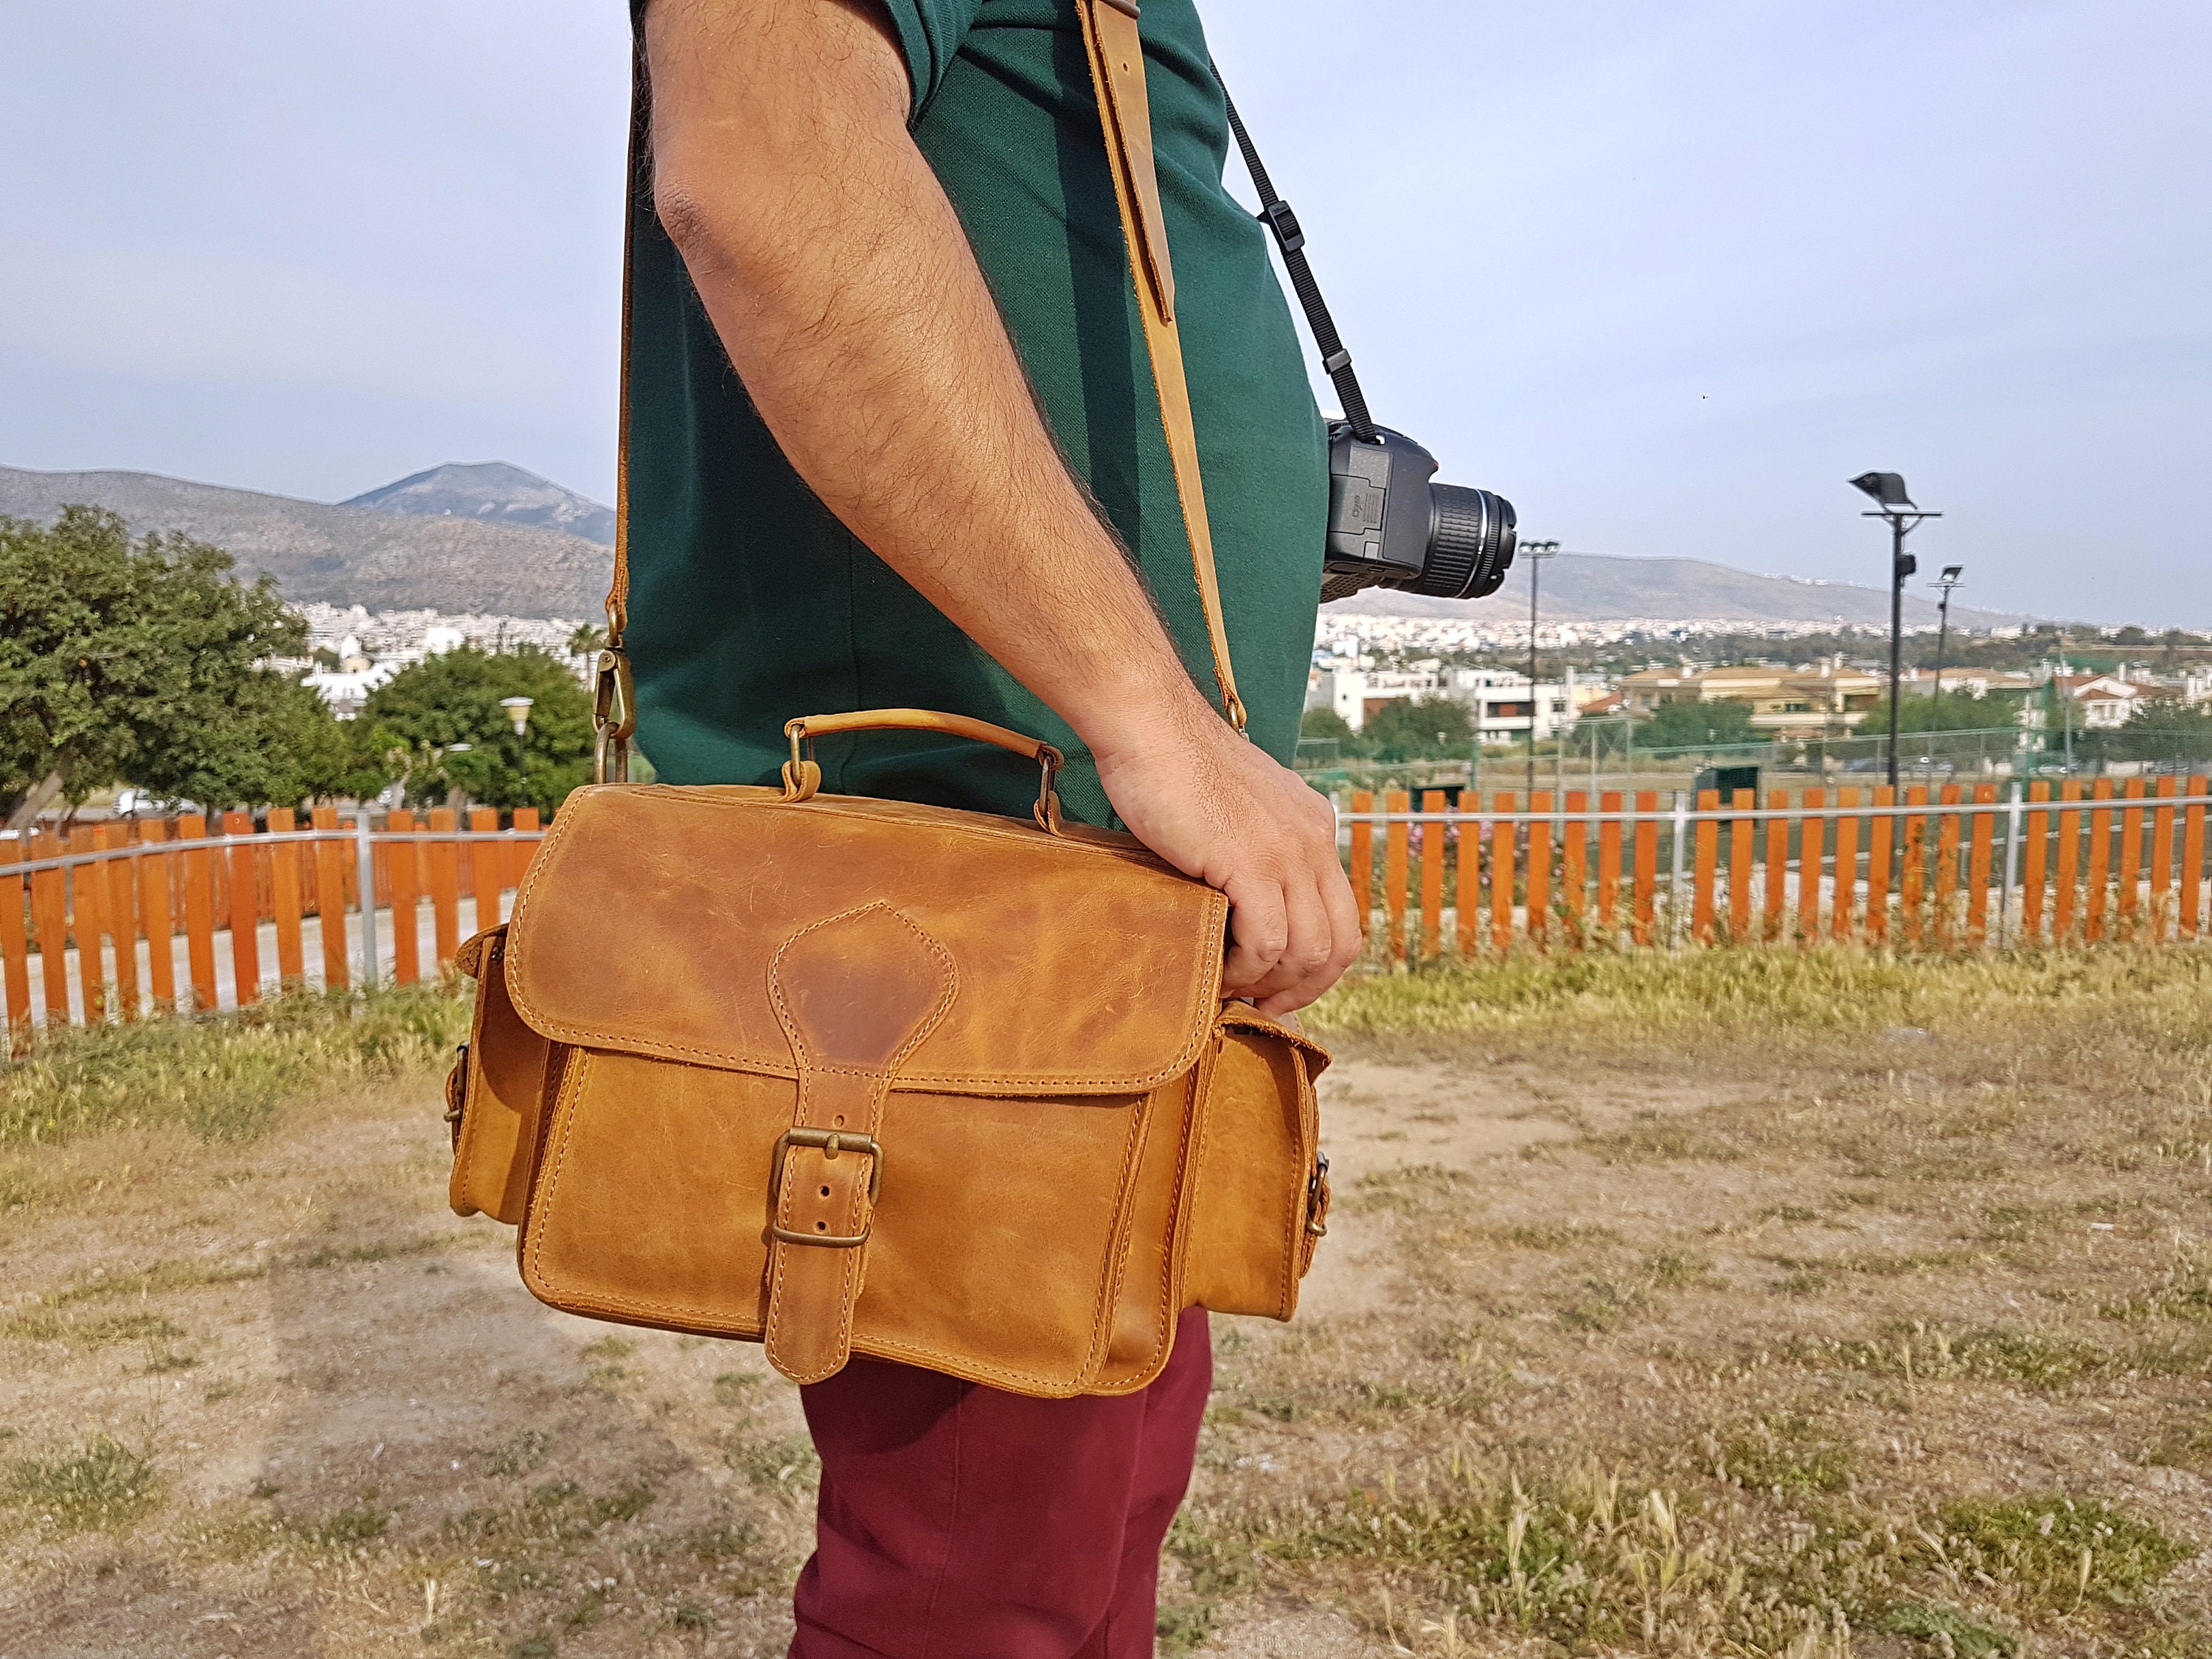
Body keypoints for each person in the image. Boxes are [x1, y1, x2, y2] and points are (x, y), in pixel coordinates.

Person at [627, 1, 1359, 1650]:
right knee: (980, 1584)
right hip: (975, 929)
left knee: (1094, 1512)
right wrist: (1152, 716)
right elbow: (761, 177)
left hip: (1092, 907)